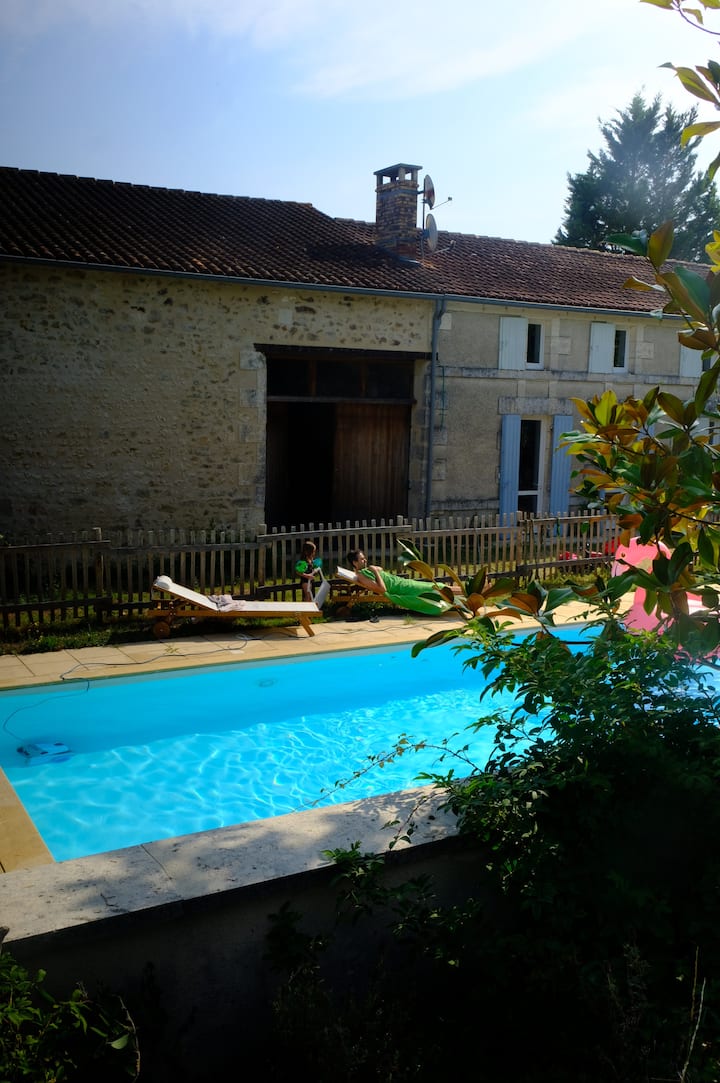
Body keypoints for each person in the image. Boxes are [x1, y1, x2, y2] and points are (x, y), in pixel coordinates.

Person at [345, 549, 453, 616]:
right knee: (434, 588)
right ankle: (464, 596)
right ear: (355, 562)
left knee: (432, 586)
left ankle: (463, 596)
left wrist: (375, 570)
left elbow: (381, 569)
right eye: (362, 559)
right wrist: (375, 572)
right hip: (399, 588)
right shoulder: (362, 576)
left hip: (401, 583)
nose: (365, 561)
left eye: (364, 558)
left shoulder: (364, 571)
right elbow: (382, 590)